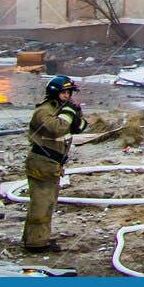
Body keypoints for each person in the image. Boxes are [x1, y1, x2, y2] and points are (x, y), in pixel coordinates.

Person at [24, 75, 87, 252]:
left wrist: (75, 112)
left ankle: (35, 238)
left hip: (52, 164)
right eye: (64, 92)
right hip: (42, 162)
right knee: (41, 204)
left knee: (48, 203)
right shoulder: (43, 111)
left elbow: (79, 127)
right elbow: (56, 128)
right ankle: (36, 244)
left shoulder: (62, 110)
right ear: (54, 92)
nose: (67, 96)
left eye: (69, 93)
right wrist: (69, 112)